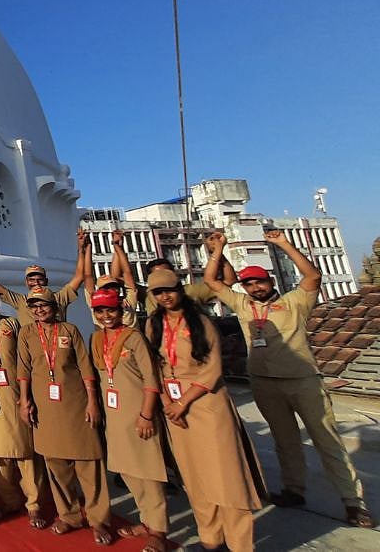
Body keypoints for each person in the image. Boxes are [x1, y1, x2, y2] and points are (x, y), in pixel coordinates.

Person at [205, 231, 371, 527]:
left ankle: (353, 502)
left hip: (302, 380)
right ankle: (294, 489)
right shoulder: (243, 305)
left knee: (326, 440)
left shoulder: (294, 302)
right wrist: (218, 249)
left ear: (270, 282)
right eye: (249, 284)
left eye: (259, 282)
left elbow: (313, 276)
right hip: (264, 381)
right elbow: (212, 282)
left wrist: (283, 244)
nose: (255, 287)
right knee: (285, 440)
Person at [145, 268, 265, 551]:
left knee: (226, 476)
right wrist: (167, 404)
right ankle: (211, 539)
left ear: (180, 290)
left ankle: (239, 544)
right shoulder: (154, 324)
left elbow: (212, 369)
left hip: (206, 402)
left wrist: (182, 402)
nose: (165, 297)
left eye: (169, 290)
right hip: (173, 405)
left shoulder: (200, 322)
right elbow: (154, 366)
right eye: (158, 292)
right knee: (194, 477)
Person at [16, 287, 111, 545]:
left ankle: (98, 519)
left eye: (44, 305)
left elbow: (85, 367)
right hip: (45, 407)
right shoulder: (27, 333)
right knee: (56, 463)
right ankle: (69, 515)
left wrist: (93, 402)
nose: (39, 310)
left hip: (76, 403)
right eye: (34, 306)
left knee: (88, 462)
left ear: (54, 307)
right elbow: (23, 369)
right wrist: (24, 401)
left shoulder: (69, 330)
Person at [89, 289, 168, 552]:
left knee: (149, 473)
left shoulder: (133, 338)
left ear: (120, 311)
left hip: (138, 414)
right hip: (114, 418)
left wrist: (146, 415)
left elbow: (151, 379)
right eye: (100, 311)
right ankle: (147, 521)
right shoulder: (97, 339)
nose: (106, 315)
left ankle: (158, 531)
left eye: (111, 310)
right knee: (128, 472)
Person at [0, 281, 48, 528]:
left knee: (26, 451)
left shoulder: (11, 323)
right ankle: (11, 501)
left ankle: (34, 504)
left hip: (15, 393)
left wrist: (28, 393)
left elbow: (25, 358)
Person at [0, 231, 86, 326]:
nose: (36, 283)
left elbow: (80, 276)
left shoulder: (59, 298)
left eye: (40, 279)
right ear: (26, 283)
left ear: (46, 281)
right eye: (32, 280)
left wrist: (81, 249)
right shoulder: (21, 301)